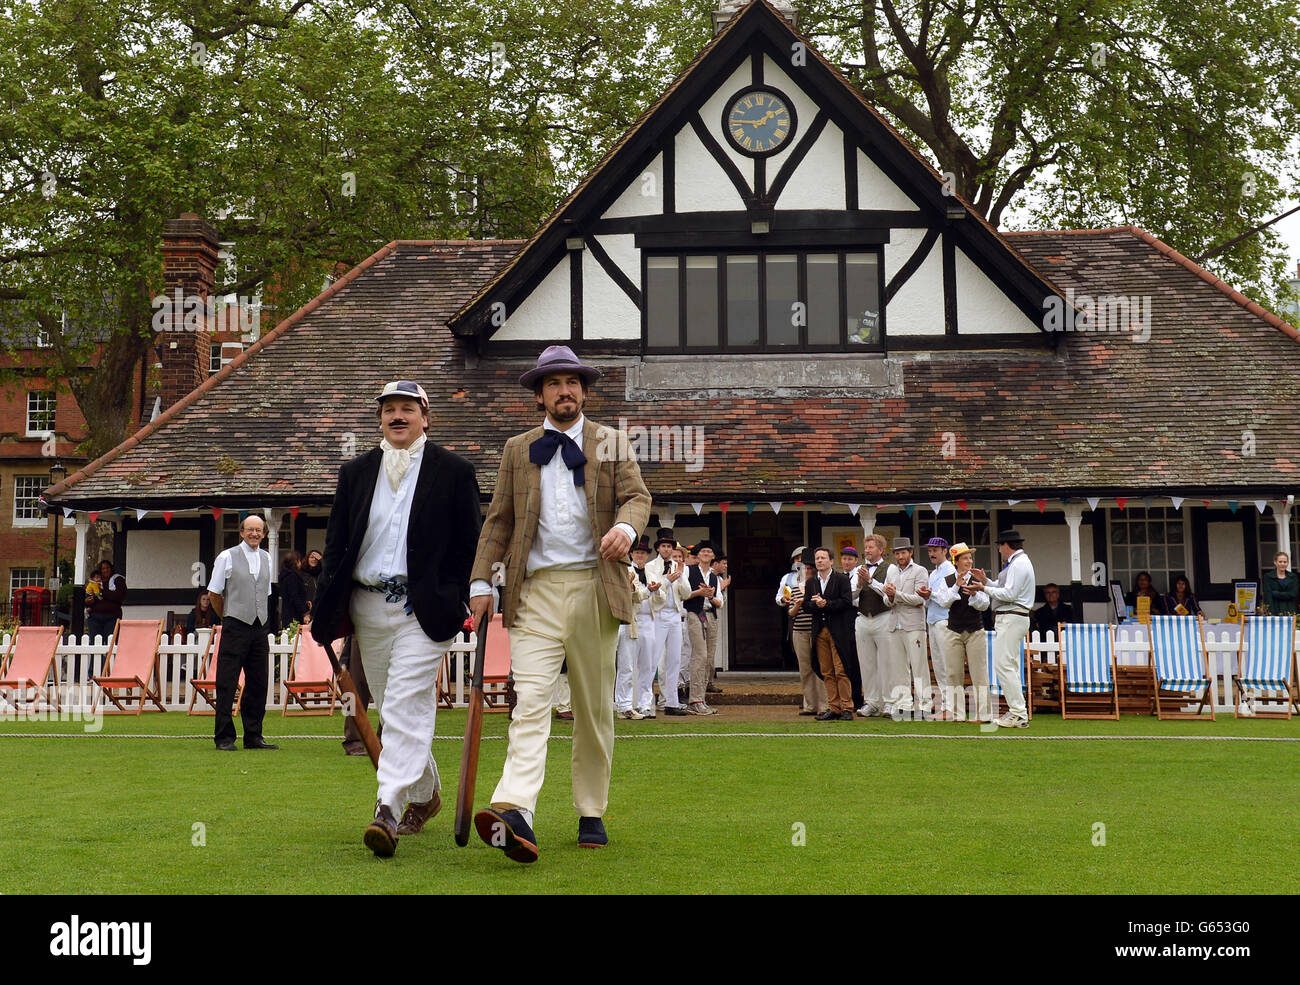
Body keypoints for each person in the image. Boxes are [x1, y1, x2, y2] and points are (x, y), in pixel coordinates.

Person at [468, 345, 650, 863]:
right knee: (530, 704)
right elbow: (498, 520)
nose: (564, 391)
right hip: (535, 592)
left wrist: (624, 526)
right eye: (553, 384)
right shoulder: (515, 448)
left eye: (572, 383)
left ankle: (591, 810)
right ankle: (516, 809)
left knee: (593, 710)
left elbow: (638, 497)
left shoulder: (612, 442)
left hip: (597, 587)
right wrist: (482, 581)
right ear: (540, 394)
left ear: (584, 391)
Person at [311, 379, 482, 857]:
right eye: (389, 409)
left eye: (408, 408)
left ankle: (386, 807)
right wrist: (325, 607)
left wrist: (457, 593)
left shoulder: (455, 471)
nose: (398, 416)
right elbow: (337, 545)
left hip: (423, 610)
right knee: (394, 711)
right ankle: (425, 797)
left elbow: (471, 541)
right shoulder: (355, 472)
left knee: (406, 704)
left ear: (426, 417)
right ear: (380, 419)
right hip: (366, 606)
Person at [207, 515, 275, 752]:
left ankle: (254, 736)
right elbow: (214, 593)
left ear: (264, 533)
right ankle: (224, 737)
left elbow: (264, 593)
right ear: (242, 532)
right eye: (250, 530)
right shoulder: (227, 557)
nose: (254, 534)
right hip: (235, 625)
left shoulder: (267, 558)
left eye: (259, 530)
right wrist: (227, 615)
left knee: (258, 682)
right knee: (227, 681)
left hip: (259, 627)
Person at [971, 529, 1035, 728]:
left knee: (1003, 665)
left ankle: (1018, 713)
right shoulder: (1017, 563)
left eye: (999, 545)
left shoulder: (1019, 564)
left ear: (1006, 545)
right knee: (1010, 665)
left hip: (1012, 616)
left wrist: (983, 589)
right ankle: (1018, 712)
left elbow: (1009, 593)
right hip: (1013, 616)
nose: (999, 550)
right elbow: (1002, 587)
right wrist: (986, 581)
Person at [934, 543, 991, 721]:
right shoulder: (948, 580)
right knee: (953, 673)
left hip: (975, 630)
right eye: (965, 558)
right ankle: (957, 713)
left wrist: (974, 594)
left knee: (979, 673)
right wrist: (956, 587)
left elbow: (985, 604)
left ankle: (983, 714)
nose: (969, 561)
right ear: (956, 561)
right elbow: (944, 602)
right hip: (954, 630)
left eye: (970, 557)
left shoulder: (977, 579)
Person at [807, 547, 859, 721]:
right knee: (826, 671)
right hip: (819, 631)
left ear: (831, 561)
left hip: (838, 630)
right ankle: (834, 707)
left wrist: (826, 604)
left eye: (823, 558)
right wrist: (817, 605)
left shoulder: (841, 579)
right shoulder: (811, 582)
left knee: (840, 670)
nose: (819, 561)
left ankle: (847, 707)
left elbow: (846, 602)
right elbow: (807, 606)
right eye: (817, 558)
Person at [883, 537, 928, 718]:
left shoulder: (920, 571)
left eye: (903, 552)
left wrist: (897, 595)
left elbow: (919, 600)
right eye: (897, 553)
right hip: (895, 624)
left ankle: (924, 705)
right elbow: (886, 601)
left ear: (911, 553)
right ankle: (904, 705)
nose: (900, 556)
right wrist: (891, 597)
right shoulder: (892, 572)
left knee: (919, 666)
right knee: (898, 667)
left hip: (913, 624)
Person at [850, 533, 894, 717]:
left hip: (883, 616)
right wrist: (860, 584)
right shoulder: (859, 569)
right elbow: (850, 596)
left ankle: (890, 702)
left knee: (887, 662)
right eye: (866, 547)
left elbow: (888, 594)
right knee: (866, 663)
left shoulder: (890, 568)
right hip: (862, 618)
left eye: (871, 547)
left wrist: (869, 580)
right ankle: (871, 702)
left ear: (881, 550)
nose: (867, 550)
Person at [614, 539, 657, 719]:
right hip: (611, 620)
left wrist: (633, 586)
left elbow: (639, 596)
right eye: (636, 552)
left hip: (630, 621)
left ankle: (625, 705)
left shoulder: (633, 572)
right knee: (606, 665)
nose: (639, 555)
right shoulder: (611, 568)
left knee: (627, 666)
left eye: (643, 552)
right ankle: (610, 704)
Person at [780, 549, 825, 716]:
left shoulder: (819, 586)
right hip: (799, 631)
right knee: (805, 669)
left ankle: (823, 705)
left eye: (811, 567)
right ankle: (810, 705)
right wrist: (798, 604)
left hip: (817, 631)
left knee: (820, 668)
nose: (808, 570)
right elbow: (790, 612)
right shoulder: (793, 587)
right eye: (805, 567)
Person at [648, 531, 687, 716]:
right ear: (658, 548)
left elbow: (686, 593)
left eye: (669, 547)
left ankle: (672, 702)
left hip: (674, 615)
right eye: (663, 546)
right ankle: (646, 702)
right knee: (653, 659)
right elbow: (654, 590)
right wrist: (666, 581)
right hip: (658, 614)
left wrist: (681, 574)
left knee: (674, 660)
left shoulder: (677, 566)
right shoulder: (651, 566)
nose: (666, 549)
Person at [683, 541, 723, 715]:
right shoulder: (688, 571)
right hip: (694, 613)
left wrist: (711, 595)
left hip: (711, 615)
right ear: (698, 555)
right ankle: (694, 700)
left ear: (713, 557)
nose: (706, 553)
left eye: (709, 551)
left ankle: (701, 699)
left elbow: (720, 602)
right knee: (700, 655)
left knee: (709, 659)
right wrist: (699, 593)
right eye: (703, 551)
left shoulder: (715, 577)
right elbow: (683, 595)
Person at [922, 537, 955, 719]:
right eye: (930, 551)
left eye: (935, 550)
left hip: (945, 620)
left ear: (945, 550)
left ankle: (950, 707)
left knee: (946, 663)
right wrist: (926, 595)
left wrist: (930, 594)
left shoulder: (950, 570)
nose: (932, 554)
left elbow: (947, 598)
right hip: (932, 620)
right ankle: (945, 705)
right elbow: (931, 598)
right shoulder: (933, 574)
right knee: (938, 665)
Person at [85, 560, 126, 641]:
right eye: (103, 568)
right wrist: (87, 601)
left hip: (112, 618)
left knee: (111, 643)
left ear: (111, 568)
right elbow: (88, 595)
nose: (105, 570)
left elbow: (118, 596)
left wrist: (103, 592)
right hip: (95, 618)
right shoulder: (95, 582)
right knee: (95, 644)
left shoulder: (118, 580)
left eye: (107, 568)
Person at [278, 551, 310, 629]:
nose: (300, 563)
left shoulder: (284, 576)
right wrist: (304, 612)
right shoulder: (293, 576)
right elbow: (295, 596)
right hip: (294, 614)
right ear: (295, 562)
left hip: (287, 612)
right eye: (299, 561)